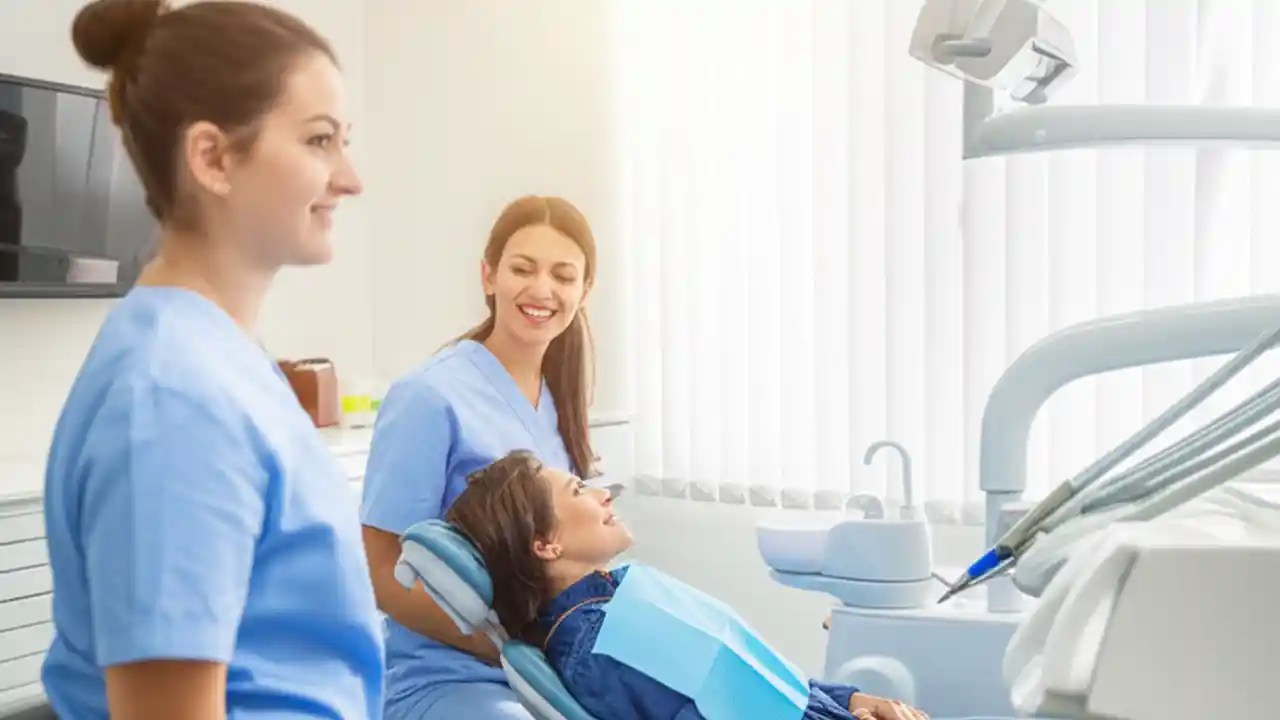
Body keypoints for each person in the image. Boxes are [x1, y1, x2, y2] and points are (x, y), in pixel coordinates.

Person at [41, 1, 383, 718]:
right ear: (213, 158)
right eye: (320, 141)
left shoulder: (218, 361)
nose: (350, 179)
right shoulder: (173, 398)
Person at [445, 451, 931, 720]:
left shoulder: (618, 600)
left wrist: (851, 700)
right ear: (545, 544)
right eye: (578, 490)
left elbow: (757, 681)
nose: (602, 493)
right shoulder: (603, 649)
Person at [359, 195, 598, 719]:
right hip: (446, 678)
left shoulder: (562, 408)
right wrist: (500, 646)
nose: (541, 289)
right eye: (522, 268)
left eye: (563, 275)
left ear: (584, 292)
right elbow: (378, 570)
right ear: (488, 276)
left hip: (549, 675)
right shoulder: (428, 397)